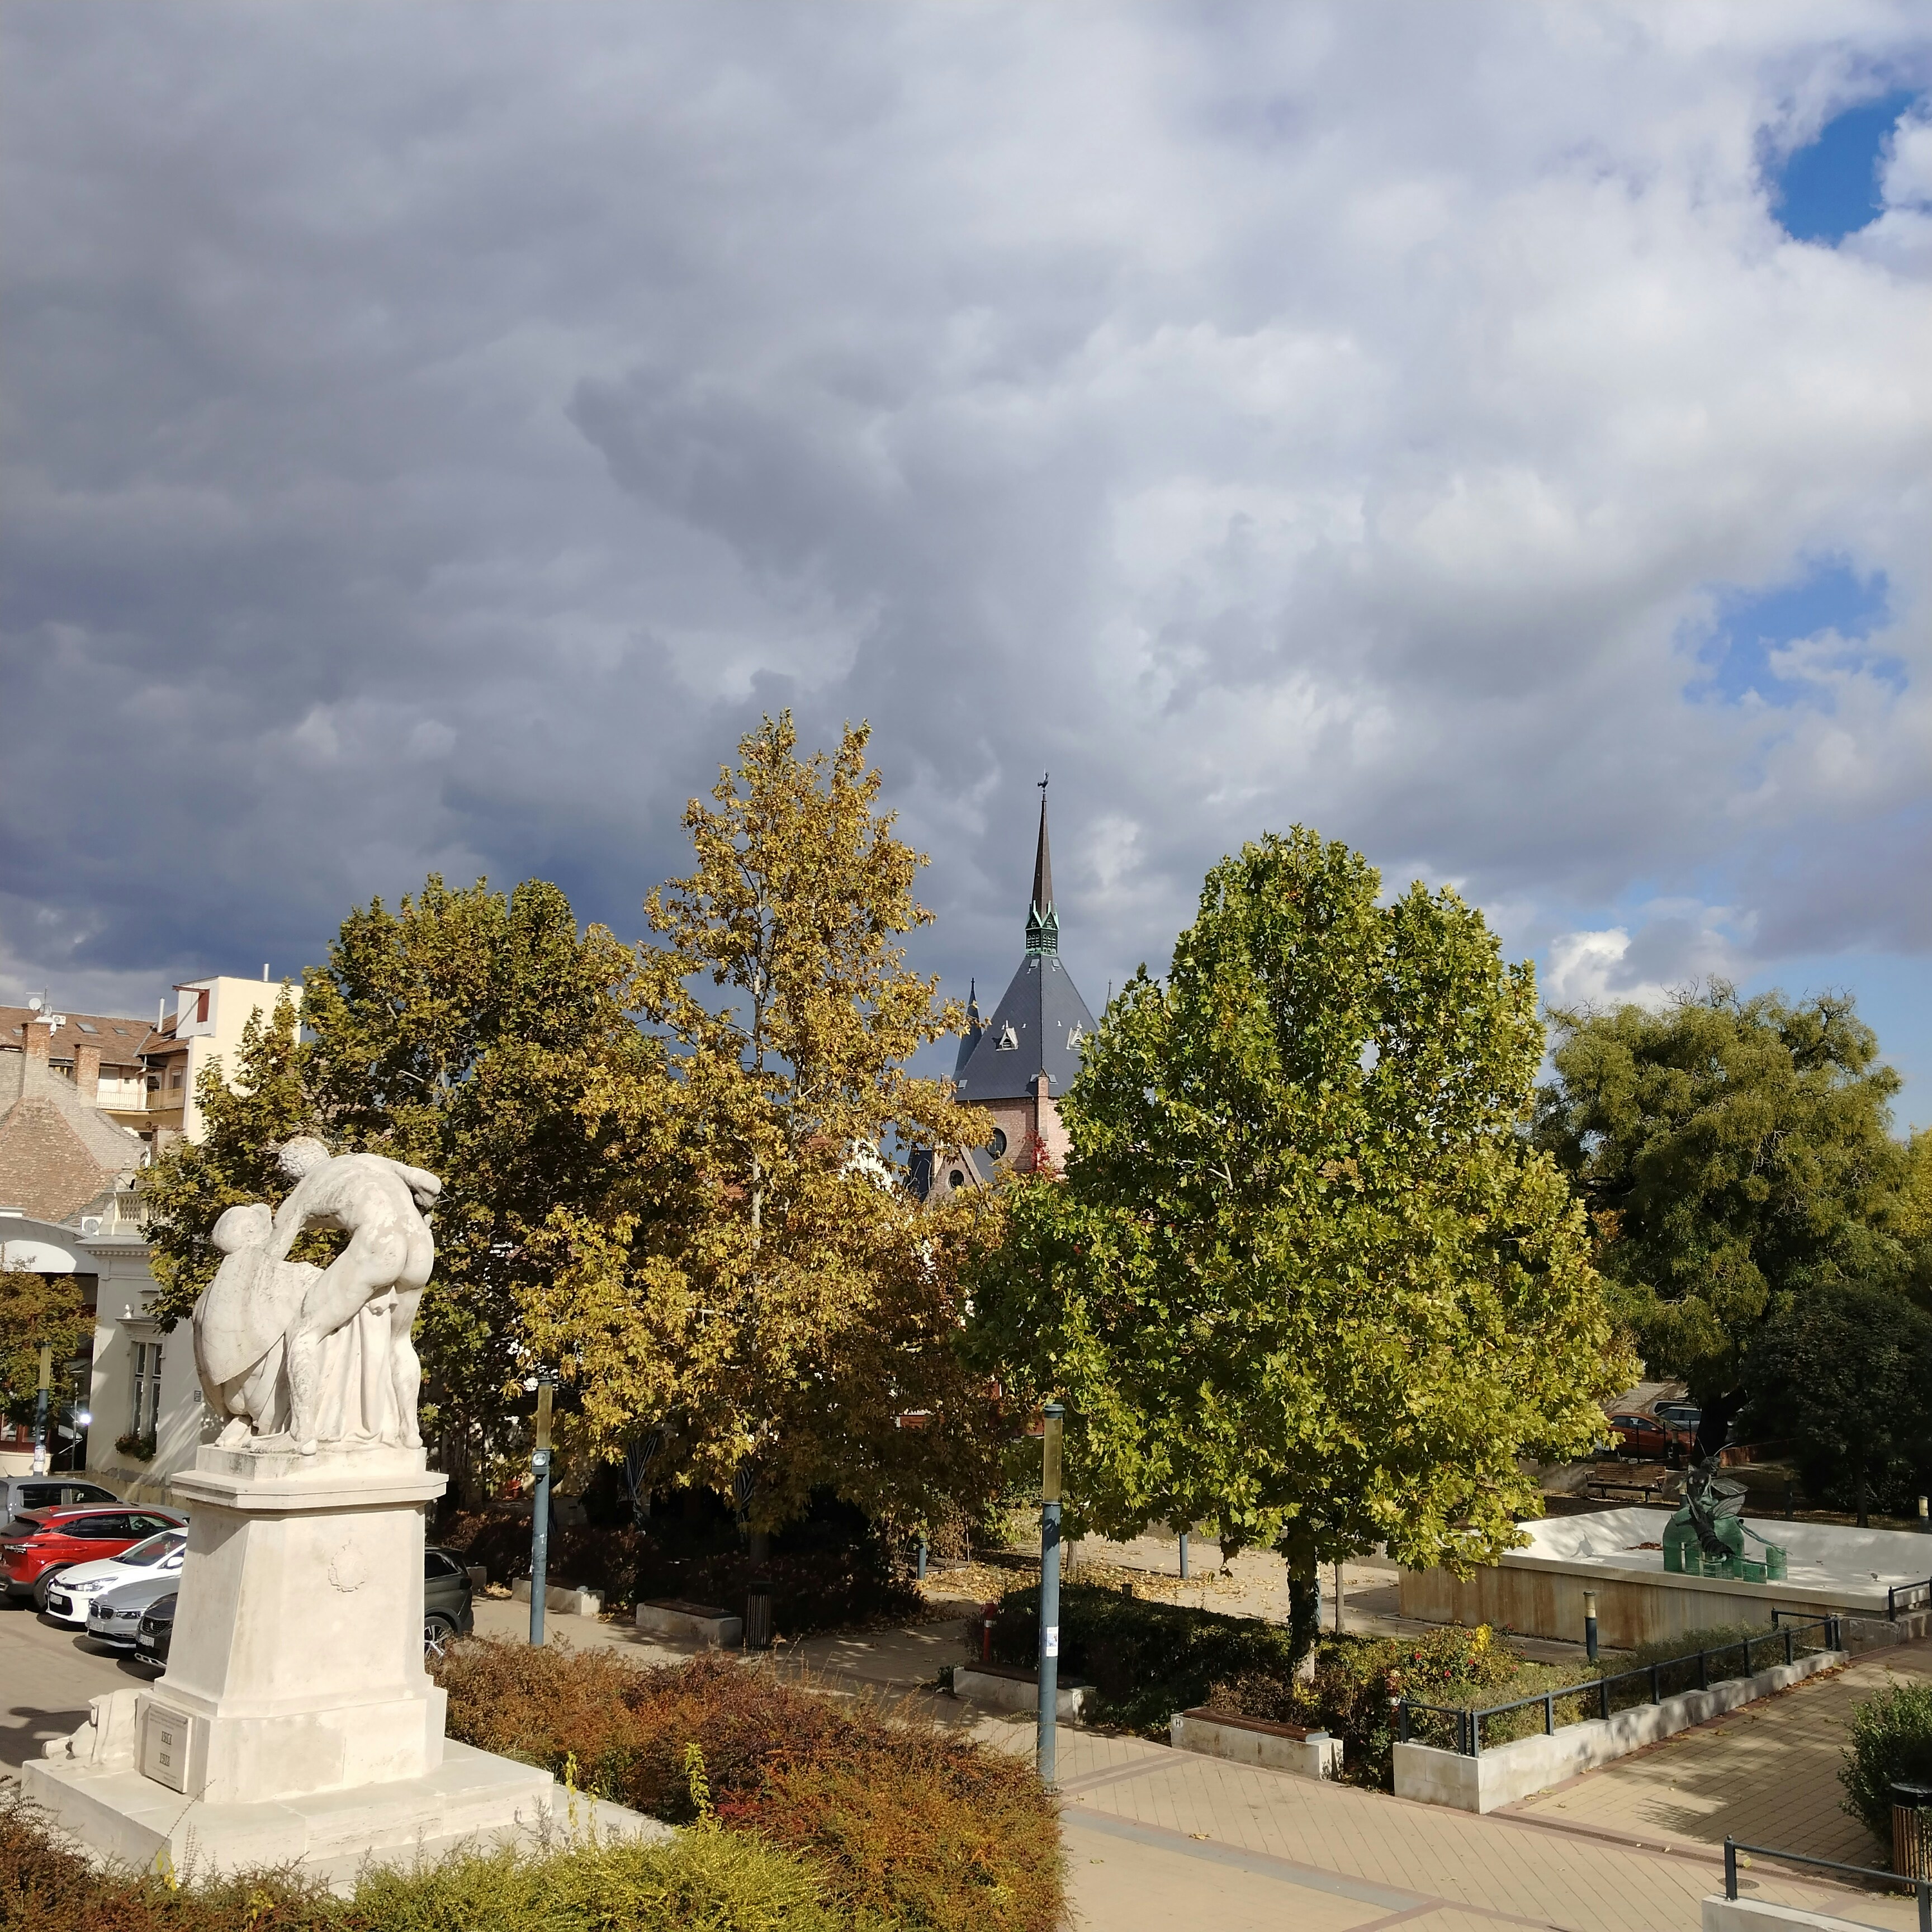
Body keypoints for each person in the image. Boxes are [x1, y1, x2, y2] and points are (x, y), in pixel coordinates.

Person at [263, 1137, 441, 1455]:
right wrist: (422, 1207)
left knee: (303, 1331)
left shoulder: (306, 1189)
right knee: (400, 1341)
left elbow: (271, 1257)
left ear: (295, 1172)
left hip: (379, 1243)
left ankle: (301, 1434)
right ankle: (410, 1431)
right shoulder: (370, 1161)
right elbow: (431, 1183)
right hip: (421, 1245)